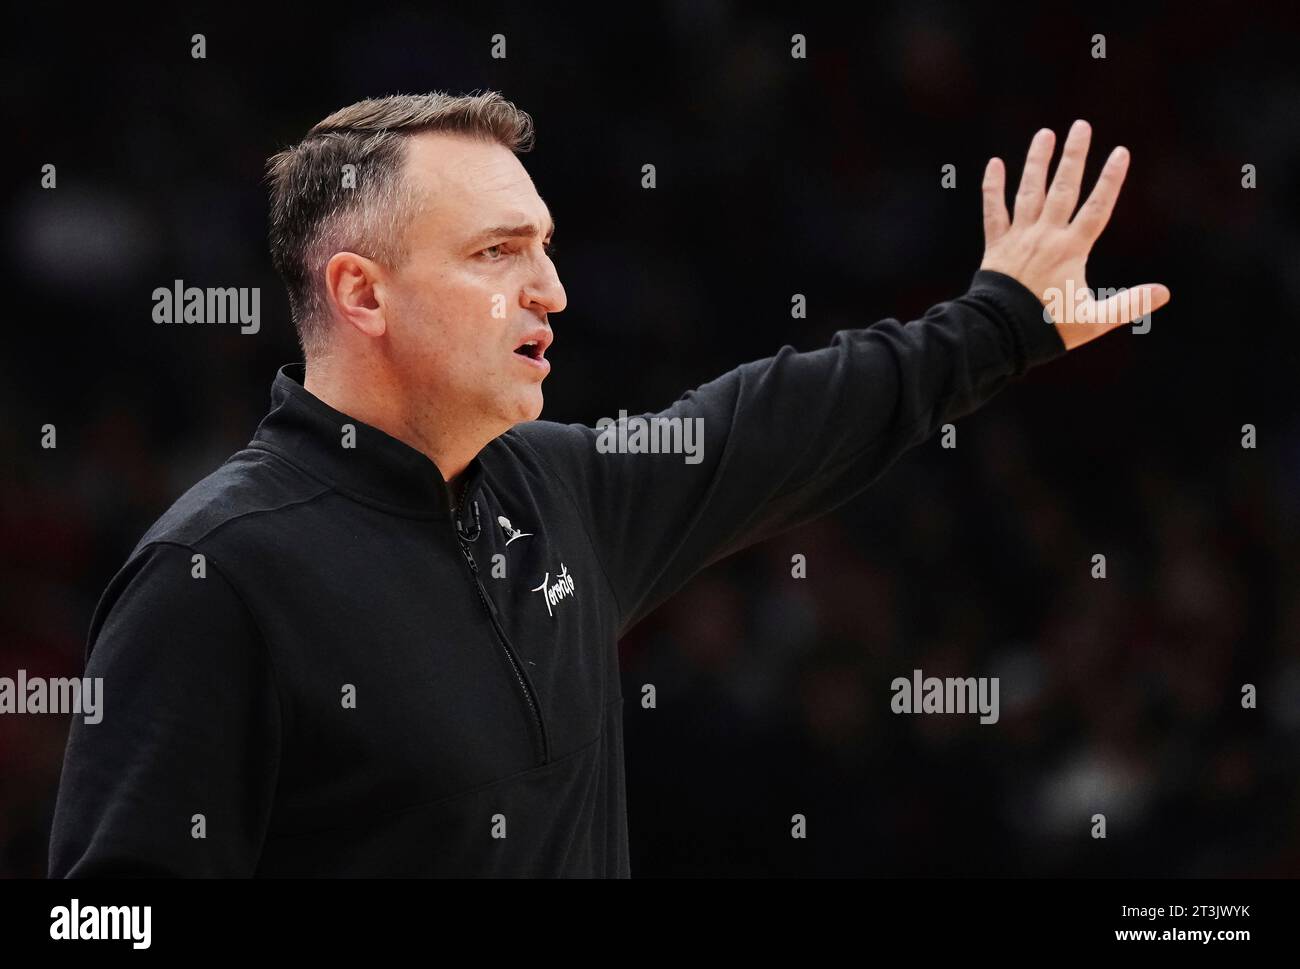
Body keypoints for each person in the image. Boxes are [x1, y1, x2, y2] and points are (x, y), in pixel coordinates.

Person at [48, 92, 1169, 877]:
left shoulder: (553, 490)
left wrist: (997, 324)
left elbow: (767, 421)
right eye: (497, 253)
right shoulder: (217, 573)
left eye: (543, 246)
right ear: (362, 292)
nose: (552, 290)